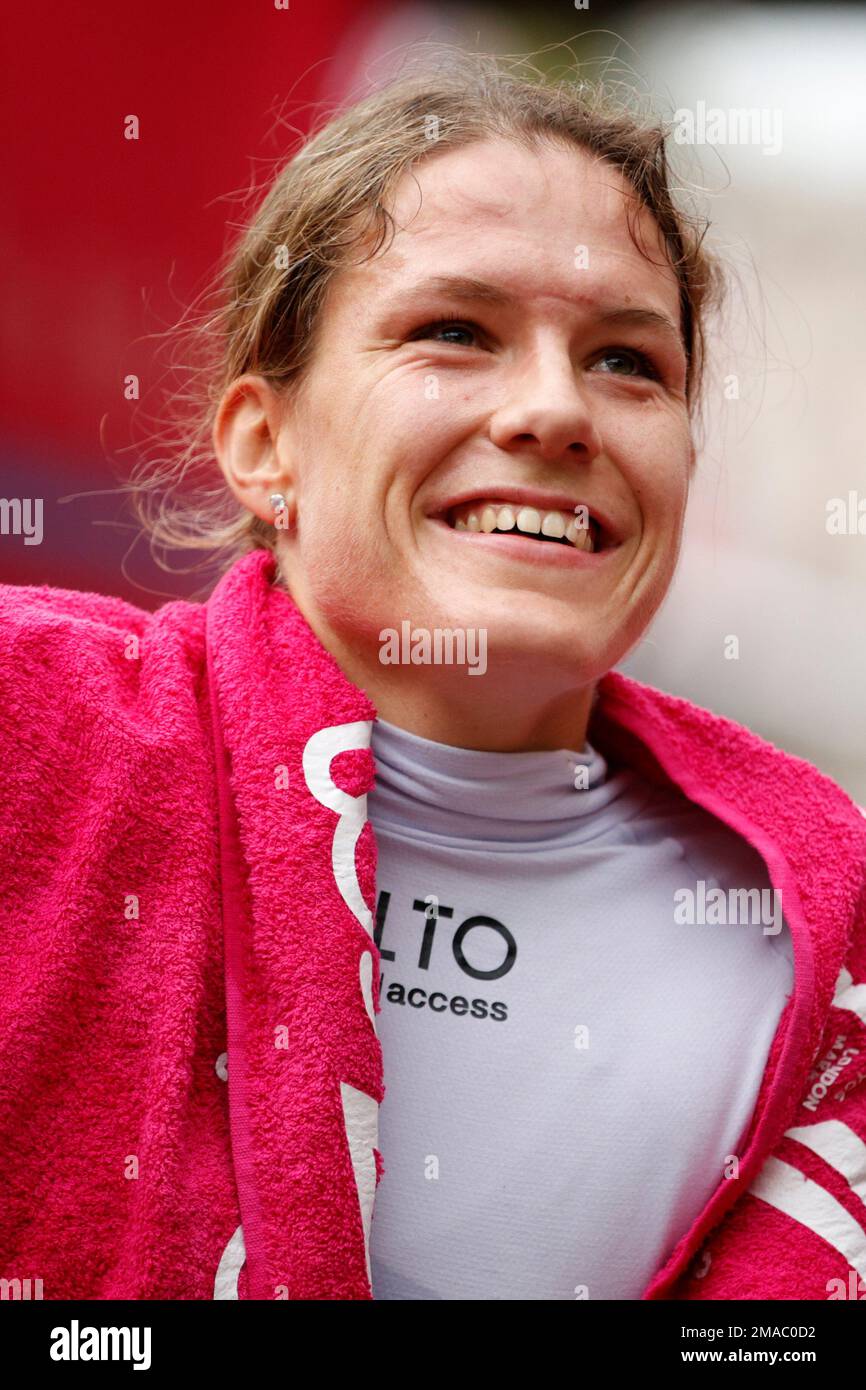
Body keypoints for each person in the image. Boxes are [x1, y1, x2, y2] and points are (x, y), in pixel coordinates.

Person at [1, 48, 864, 1303]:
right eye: (454, 332)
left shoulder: (817, 941)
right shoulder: (31, 726)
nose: (554, 411)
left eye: (630, 361)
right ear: (260, 442)